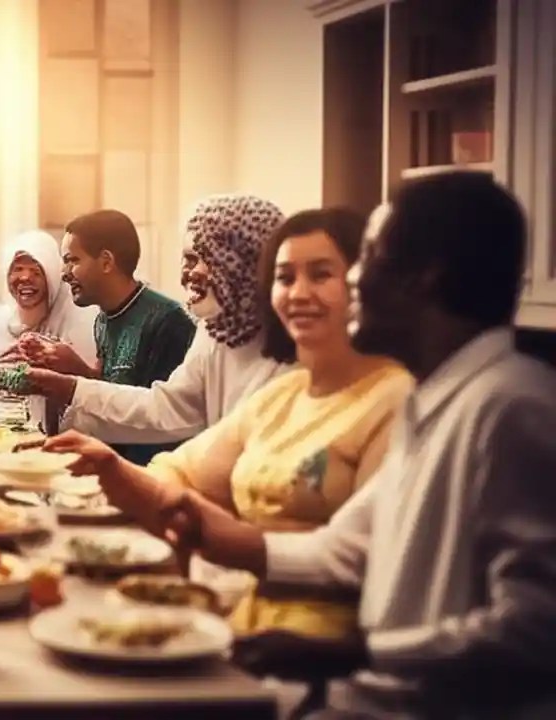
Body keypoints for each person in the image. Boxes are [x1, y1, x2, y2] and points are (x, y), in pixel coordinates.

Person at [135, 173, 556, 718]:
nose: (354, 277)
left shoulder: (512, 405)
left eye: (371, 256)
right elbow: (346, 549)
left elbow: (537, 626)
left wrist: (356, 651)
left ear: (426, 278)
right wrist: (200, 525)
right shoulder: (432, 400)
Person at [46, 208, 413, 641]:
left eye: (320, 275)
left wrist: (208, 527)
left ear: (359, 284)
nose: (298, 293)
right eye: (285, 277)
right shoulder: (284, 393)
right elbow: (180, 468)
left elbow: (367, 561)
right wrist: (107, 466)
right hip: (241, 610)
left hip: (313, 648)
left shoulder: (398, 401)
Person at [30, 195, 290, 442]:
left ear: (239, 262)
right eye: (185, 260)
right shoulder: (213, 335)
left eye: (196, 258)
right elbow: (164, 410)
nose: (186, 275)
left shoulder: (295, 353)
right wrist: (68, 389)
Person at [27, 209, 195, 462]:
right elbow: (114, 393)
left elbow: (164, 419)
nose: (64, 273)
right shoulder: (103, 321)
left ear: (106, 261)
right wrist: (72, 369)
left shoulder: (168, 321)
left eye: (73, 260)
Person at [0, 229, 99, 425]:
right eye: (17, 269)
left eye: (36, 271)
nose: (25, 278)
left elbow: (95, 394)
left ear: (53, 279)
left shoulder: (79, 323)